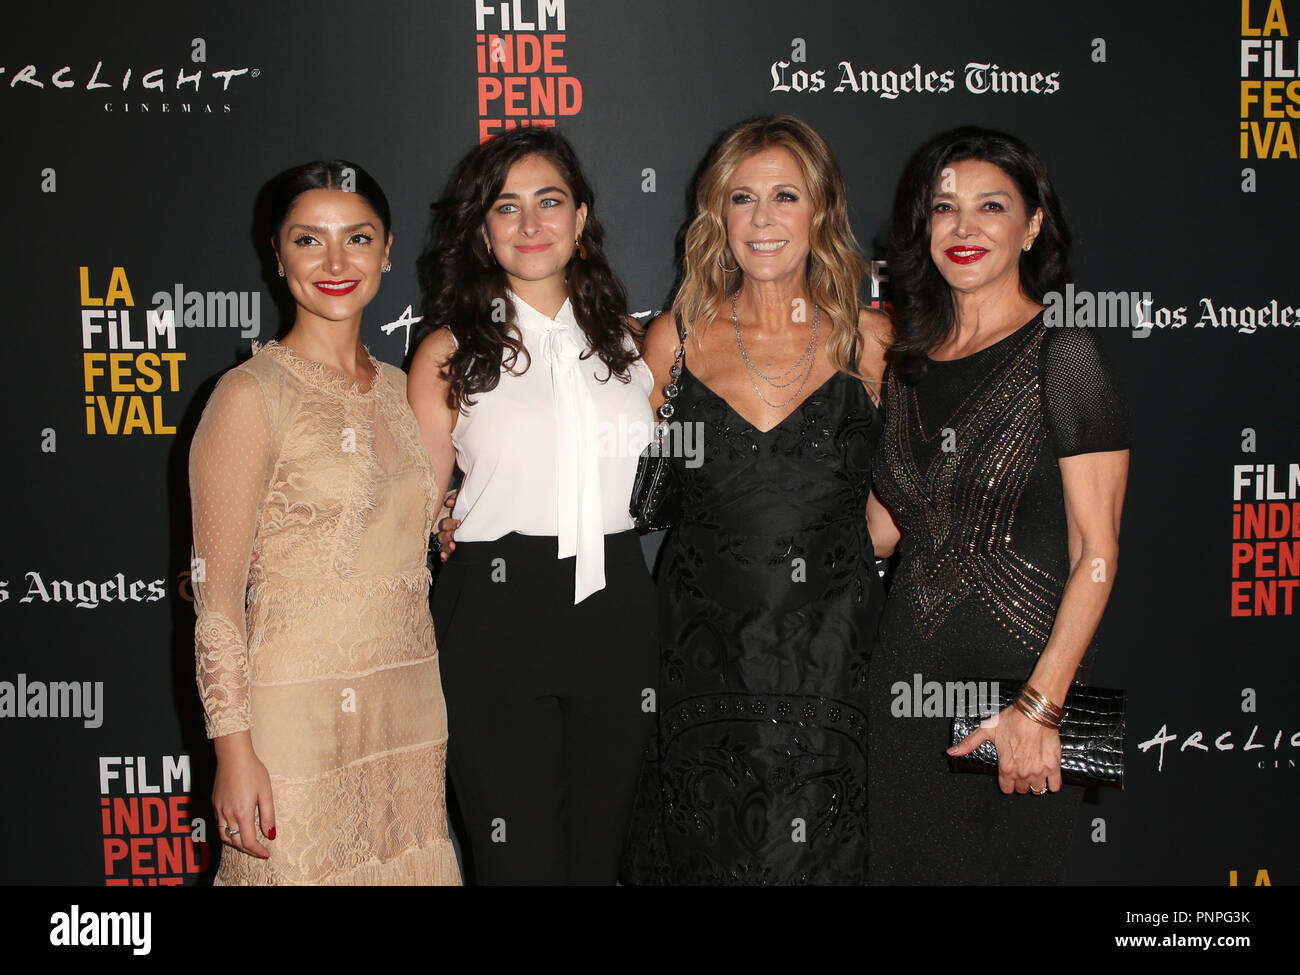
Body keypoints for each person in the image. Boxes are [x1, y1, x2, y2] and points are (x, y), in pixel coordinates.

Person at [621, 114, 892, 885]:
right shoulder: (675, 338)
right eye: (743, 199)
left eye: (785, 196)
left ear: (821, 212)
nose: (764, 219)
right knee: (710, 849)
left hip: (832, 657)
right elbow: (636, 494)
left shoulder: (869, 342)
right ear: (719, 216)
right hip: (701, 654)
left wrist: (822, 576)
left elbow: (895, 507)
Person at [868, 126, 1131, 884]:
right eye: (944, 207)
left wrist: (1040, 707)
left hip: (1012, 702)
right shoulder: (908, 365)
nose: (965, 226)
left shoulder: (1065, 350)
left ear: (1032, 226)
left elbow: (1098, 551)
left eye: (991, 206)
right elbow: (890, 531)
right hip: (902, 691)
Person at [189, 160, 459, 885]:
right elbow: (215, 600)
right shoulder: (248, 396)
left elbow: (416, 526)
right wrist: (232, 749)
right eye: (310, 240)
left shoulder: (408, 392)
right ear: (277, 256)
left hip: (408, 708)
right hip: (296, 719)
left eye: (358, 238)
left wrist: (446, 523)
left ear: (388, 249)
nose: (336, 262)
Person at [407, 127, 657, 884]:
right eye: (506, 207)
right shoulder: (447, 352)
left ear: (581, 218)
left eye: (549, 202)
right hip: (494, 611)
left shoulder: (633, 344)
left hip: (618, 604)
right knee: (515, 860)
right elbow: (414, 503)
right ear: (483, 230)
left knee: (598, 855)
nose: (530, 224)